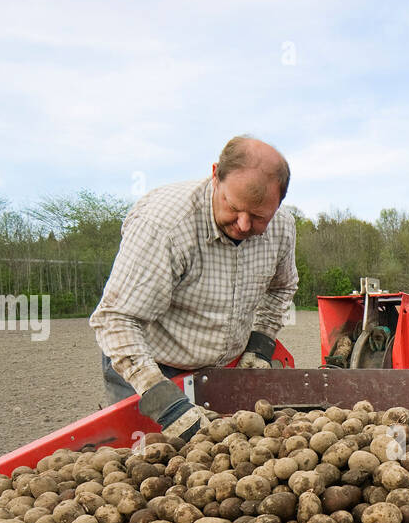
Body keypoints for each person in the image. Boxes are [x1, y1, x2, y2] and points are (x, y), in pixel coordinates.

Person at [90, 136, 298, 440]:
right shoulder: (164, 224)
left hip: (225, 367)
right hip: (152, 366)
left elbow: (281, 288)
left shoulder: (282, 227)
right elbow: (116, 319)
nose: (242, 224)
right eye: (234, 206)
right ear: (215, 175)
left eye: (258, 217)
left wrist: (261, 342)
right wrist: (164, 401)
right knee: (149, 459)